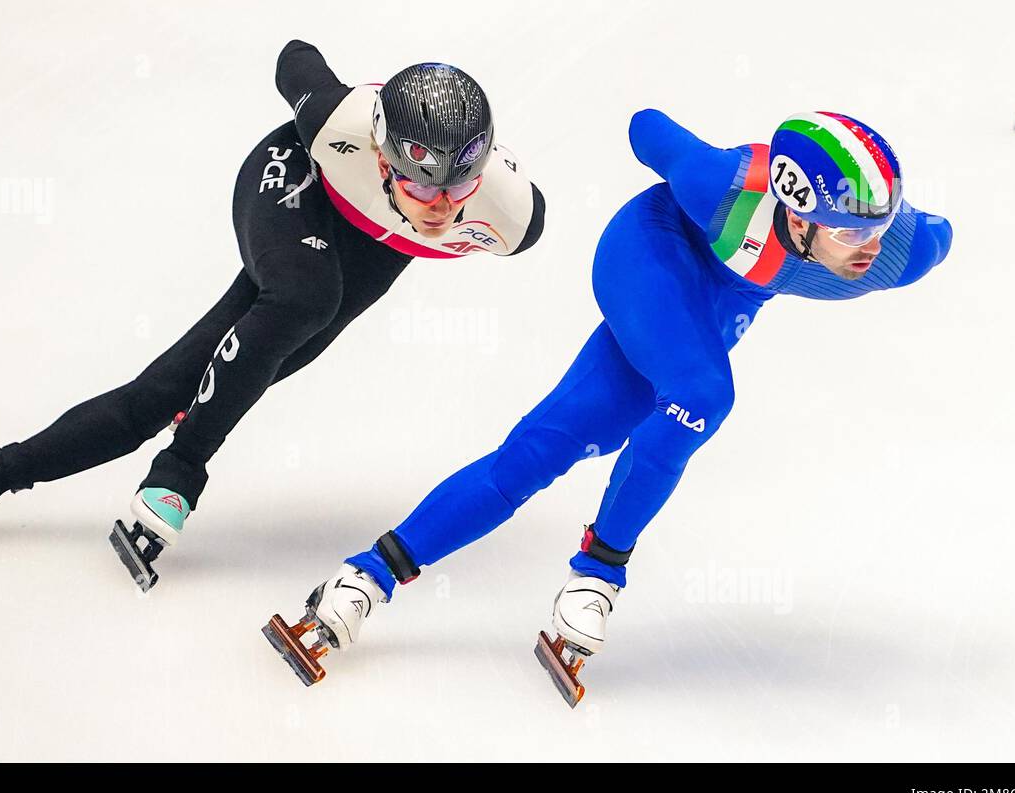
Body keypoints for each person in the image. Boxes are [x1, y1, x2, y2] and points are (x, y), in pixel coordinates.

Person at [272, 109, 952, 701]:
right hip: (649, 251)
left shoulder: (901, 250)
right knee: (703, 394)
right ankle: (599, 572)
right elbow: (646, 126)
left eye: (879, 225)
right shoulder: (719, 189)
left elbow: (935, 234)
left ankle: (365, 576)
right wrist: (709, 152)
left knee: (545, 449)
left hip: (715, 306)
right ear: (796, 215)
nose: (868, 248)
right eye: (849, 232)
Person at [0, 41, 545, 584]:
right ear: (378, 152)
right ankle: (182, 471)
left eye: (459, 183)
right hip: (296, 184)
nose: (441, 206)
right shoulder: (338, 124)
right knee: (307, 299)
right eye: (421, 182)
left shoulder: (509, 213)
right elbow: (295, 56)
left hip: (369, 253)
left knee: (174, 390)